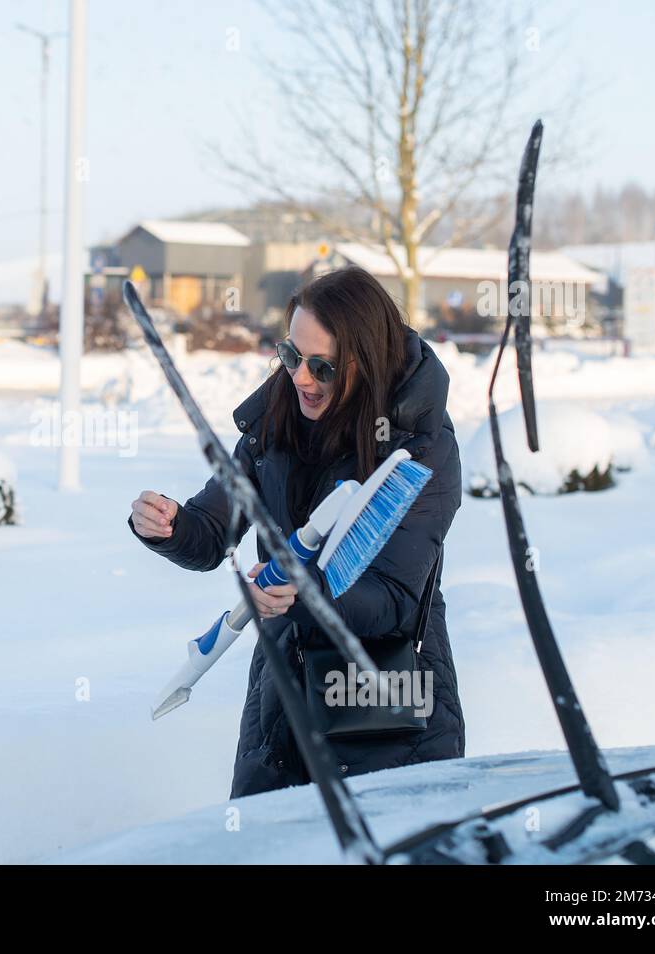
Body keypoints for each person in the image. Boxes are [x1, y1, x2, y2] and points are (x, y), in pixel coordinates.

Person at [128, 266, 465, 798]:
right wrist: (170, 525)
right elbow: (216, 528)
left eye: (322, 367)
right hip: (282, 698)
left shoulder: (419, 446)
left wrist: (302, 595)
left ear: (367, 361)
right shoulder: (275, 421)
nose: (301, 378)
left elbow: (394, 600)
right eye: (290, 356)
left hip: (386, 704)